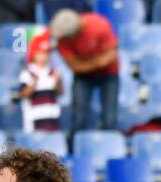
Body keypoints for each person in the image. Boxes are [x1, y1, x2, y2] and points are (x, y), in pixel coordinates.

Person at [50, 7, 119, 136]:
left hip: (109, 74)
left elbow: (111, 56)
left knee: (110, 119)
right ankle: (74, 151)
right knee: (78, 120)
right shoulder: (62, 38)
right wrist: (97, 62)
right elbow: (76, 67)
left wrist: (86, 64)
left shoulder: (99, 25)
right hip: (83, 77)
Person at [20, 31, 63, 134]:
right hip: (34, 119)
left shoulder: (54, 72)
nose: (44, 57)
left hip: (51, 118)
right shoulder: (27, 73)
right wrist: (34, 83)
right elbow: (24, 93)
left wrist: (58, 81)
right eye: (40, 53)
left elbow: (60, 92)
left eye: (46, 53)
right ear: (34, 54)